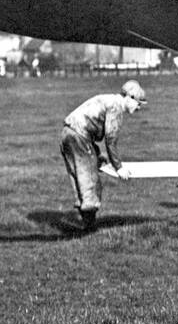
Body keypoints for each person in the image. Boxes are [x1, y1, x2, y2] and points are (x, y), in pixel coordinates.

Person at [60, 81, 147, 230]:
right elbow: (111, 140)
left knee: (80, 178)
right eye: (138, 104)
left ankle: (86, 223)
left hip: (68, 133)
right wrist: (118, 168)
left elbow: (89, 131)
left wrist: (97, 155)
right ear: (130, 97)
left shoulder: (109, 99)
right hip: (78, 136)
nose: (139, 108)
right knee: (90, 182)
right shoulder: (116, 107)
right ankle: (89, 228)